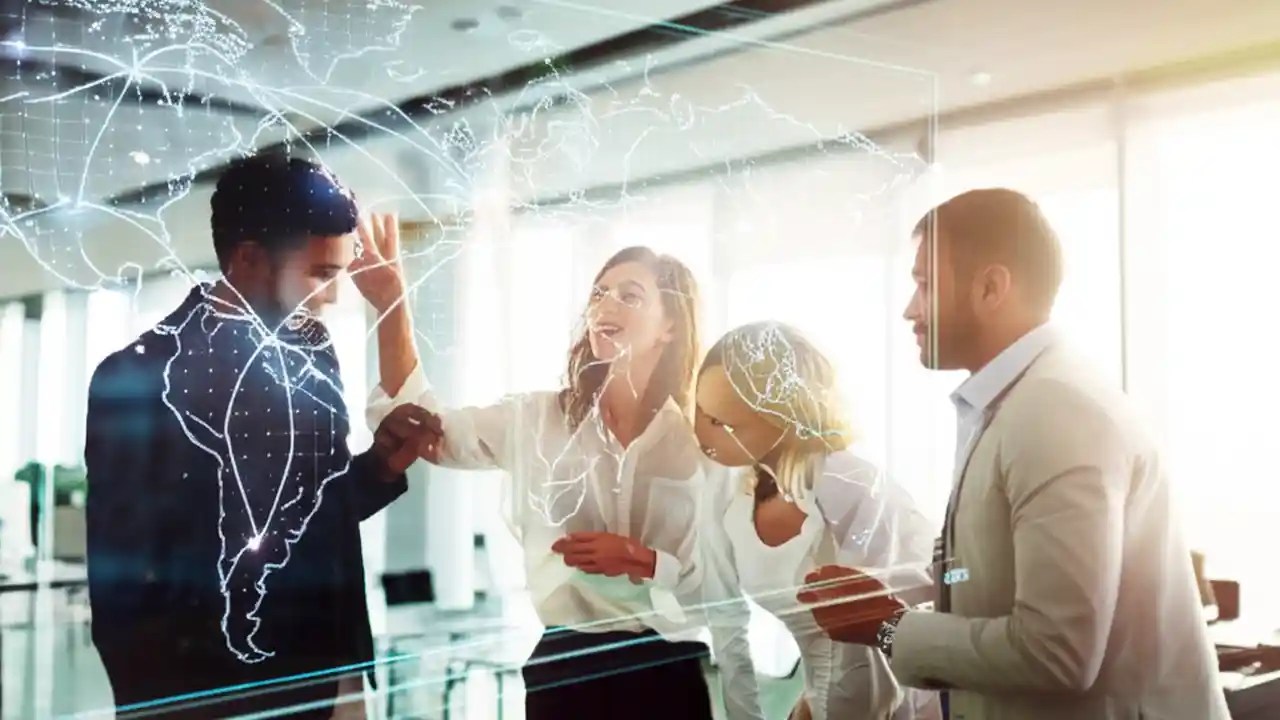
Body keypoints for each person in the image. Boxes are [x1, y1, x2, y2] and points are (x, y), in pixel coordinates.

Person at [797, 188, 1229, 719]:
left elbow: (1056, 652)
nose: (911, 310)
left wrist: (886, 626)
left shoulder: (1056, 411)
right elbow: (971, 573)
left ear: (991, 287)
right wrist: (887, 589)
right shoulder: (1012, 403)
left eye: (925, 285)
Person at [85, 155, 435, 719]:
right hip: (213, 694)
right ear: (248, 258)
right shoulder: (134, 378)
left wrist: (380, 469)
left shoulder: (312, 352)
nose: (333, 297)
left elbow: (316, 511)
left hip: (326, 673)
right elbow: (120, 582)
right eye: (321, 274)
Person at [356, 227, 713, 720]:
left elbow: (733, 578)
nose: (606, 304)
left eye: (630, 296)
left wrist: (644, 560)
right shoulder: (536, 419)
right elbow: (419, 426)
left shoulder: (703, 443)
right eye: (599, 293)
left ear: (670, 325)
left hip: (668, 672)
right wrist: (391, 304)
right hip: (565, 673)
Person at [696, 322, 938, 720]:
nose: (703, 433)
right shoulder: (739, 497)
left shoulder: (849, 486)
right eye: (703, 413)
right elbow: (730, 624)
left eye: (725, 421)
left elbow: (875, 645)